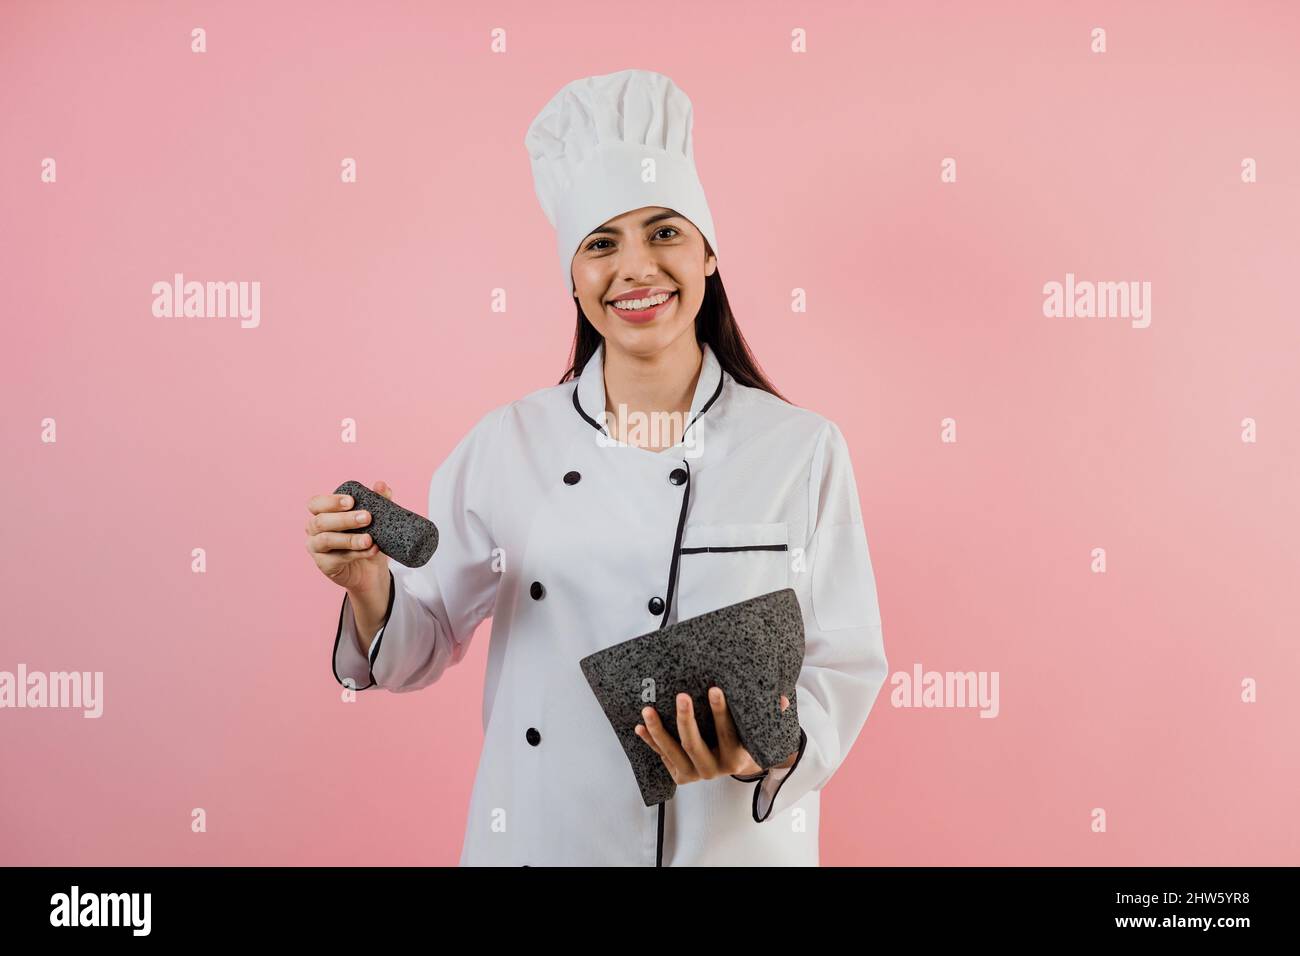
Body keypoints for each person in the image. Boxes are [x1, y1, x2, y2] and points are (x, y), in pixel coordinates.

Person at [304, 69, 888, 866]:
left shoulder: (801, 448)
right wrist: (370, 582)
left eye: (664, 232)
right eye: (601, 244)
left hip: (728, 847)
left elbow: (845, 661)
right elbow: (418, 644)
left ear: (710, 253)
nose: (636, 269)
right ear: (573, 278)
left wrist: (755, 751)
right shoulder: (507, 445)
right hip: (545, 842)